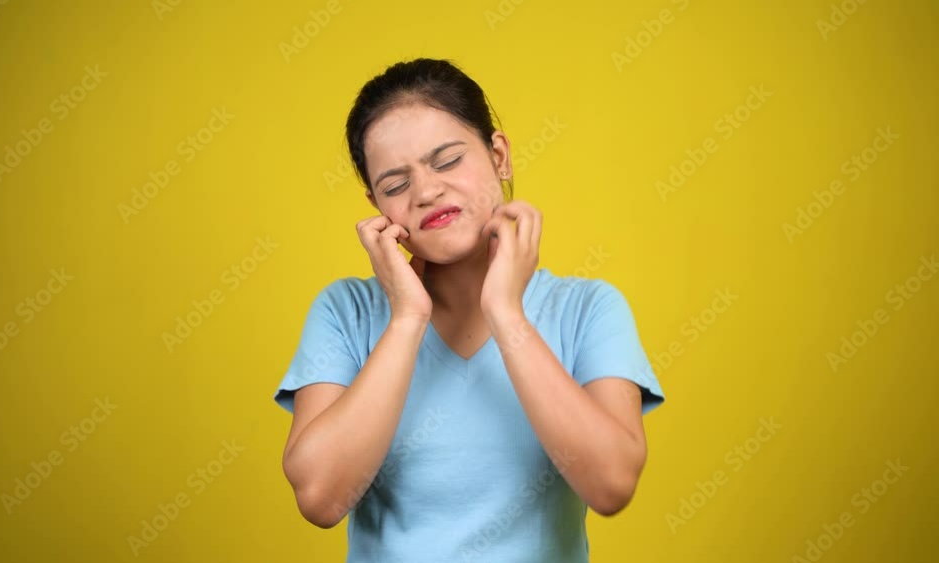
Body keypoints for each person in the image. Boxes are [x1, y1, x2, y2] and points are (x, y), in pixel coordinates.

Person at [273, 57, 666, 562]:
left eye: (447, 161)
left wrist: (506, 314)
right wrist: (406, 320)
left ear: (499, 155)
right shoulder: (345, 312)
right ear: (377, 206)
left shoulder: (587, 310)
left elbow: (611, 484)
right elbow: (320, 498)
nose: (427, 191)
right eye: (395, 185)